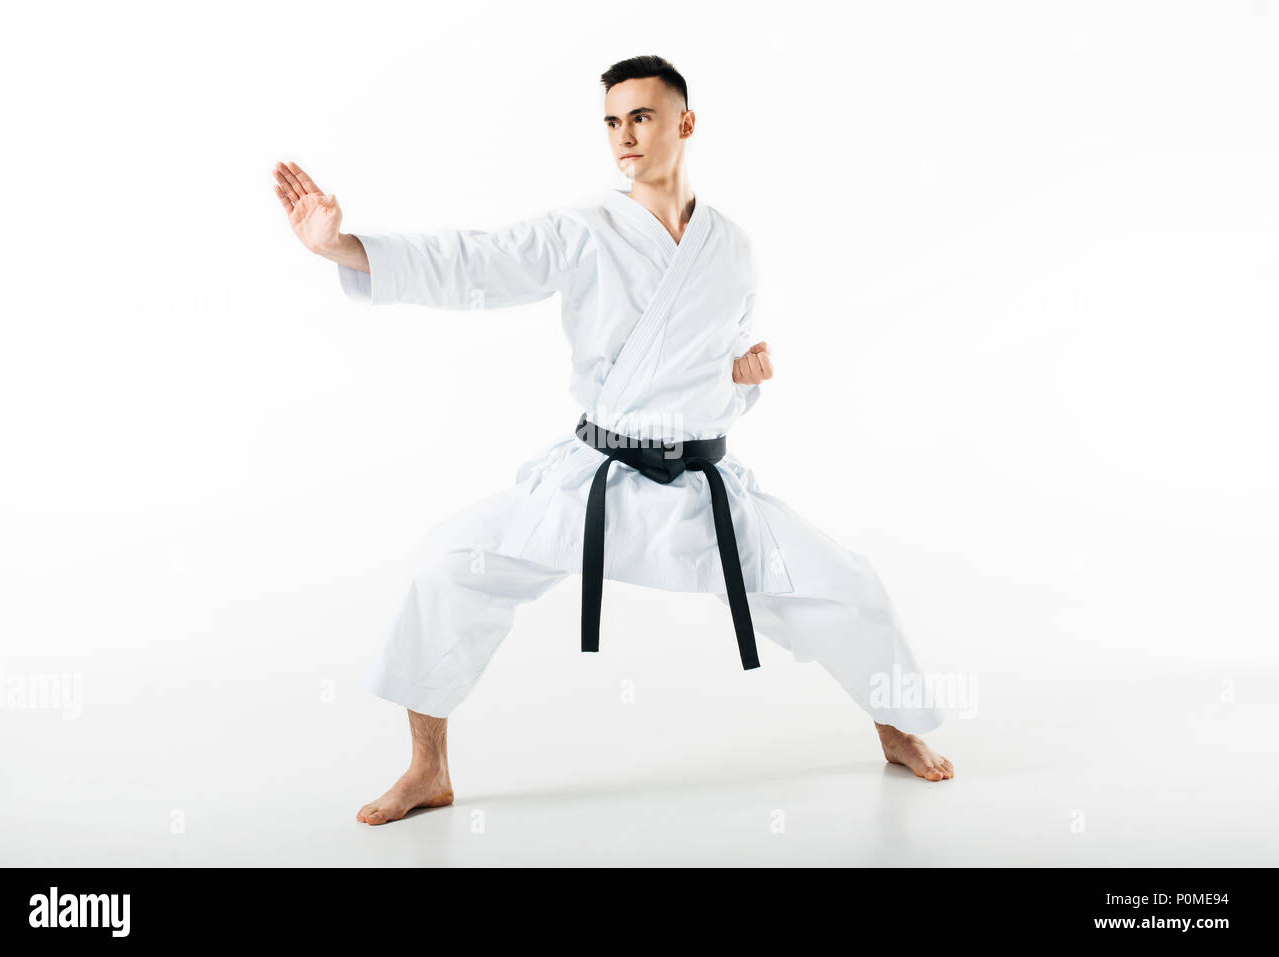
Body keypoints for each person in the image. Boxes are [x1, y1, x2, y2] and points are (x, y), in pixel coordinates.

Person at [273, 55, 955, 826]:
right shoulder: (583, 231)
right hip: (593, 480)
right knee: (446, 564)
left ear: (684, 124)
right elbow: (476, 260)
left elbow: (725, 365)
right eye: (612, 121)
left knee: (850, 583)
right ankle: (427, 767)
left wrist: (745, 375)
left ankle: (896, 729)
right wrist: (342, 247)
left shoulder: (732, 246)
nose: (624, 134)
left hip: (701, 488)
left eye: (641, 117)